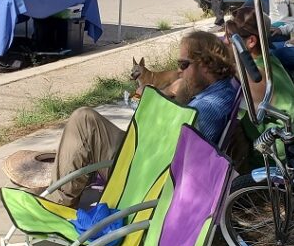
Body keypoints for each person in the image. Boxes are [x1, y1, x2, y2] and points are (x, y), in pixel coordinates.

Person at [43, 30, 239, 206]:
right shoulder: (220, 92)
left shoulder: (205, 109)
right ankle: (67, 188)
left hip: (144, 175)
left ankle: (58, 203)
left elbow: (164, 145)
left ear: (206, 65)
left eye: (183, 64)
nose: (179, 71)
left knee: (84, 120)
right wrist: (172, 91)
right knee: (87, 123)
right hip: (152, 162)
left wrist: (152, 105)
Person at [224, 5, 294, 169]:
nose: (226, 41)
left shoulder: (252, 75)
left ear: (251, 41)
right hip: (283, 142)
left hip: (273, 155)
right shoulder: (267, 59)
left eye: (230, 37)